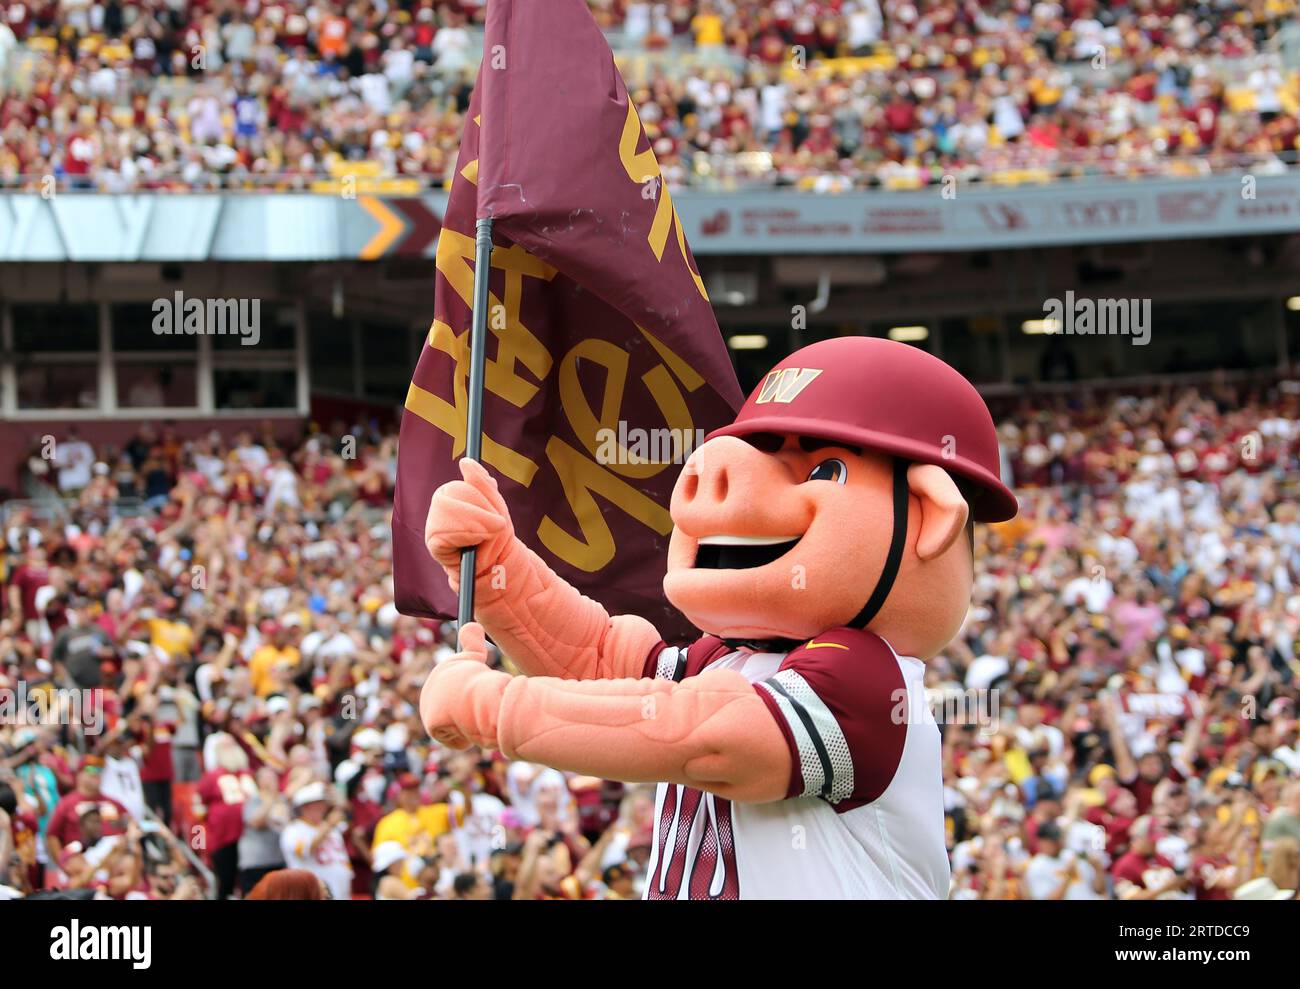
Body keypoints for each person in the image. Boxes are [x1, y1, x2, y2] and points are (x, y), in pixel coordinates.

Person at [280, 782, 353, 901]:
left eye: (324, 803)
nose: (324, 807)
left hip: (341, 892)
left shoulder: (332, 829)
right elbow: (305, 850)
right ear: (305, 806)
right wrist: (328, 825)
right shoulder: (293, 830)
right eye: (319, 803)